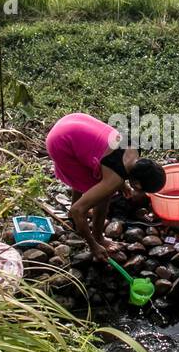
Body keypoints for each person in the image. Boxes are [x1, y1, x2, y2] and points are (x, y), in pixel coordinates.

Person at [45, 112, 166, 261]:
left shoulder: (134, 148)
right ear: (137, 184)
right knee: (99, 198)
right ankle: (96, 235)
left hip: (72, 121)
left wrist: (121, 184)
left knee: (88, 179)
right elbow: (80, 210)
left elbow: (115, 165)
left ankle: (81, 210)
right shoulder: (114, 180)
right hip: (60, 141)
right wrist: (94, 244)